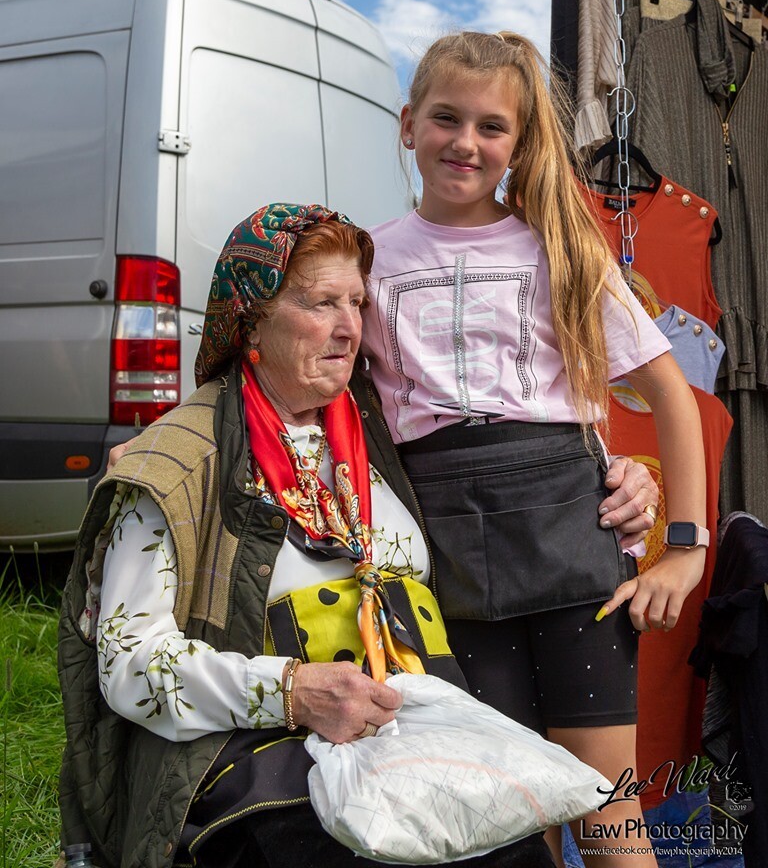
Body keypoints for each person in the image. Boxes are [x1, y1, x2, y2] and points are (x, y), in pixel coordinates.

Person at [58, 204, 558, 868]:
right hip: (260, 761)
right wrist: (294, 692)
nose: (350, 327)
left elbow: (516, 442)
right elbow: (131, 668)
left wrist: (632, 479)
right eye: (322, 303)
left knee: (512, 851)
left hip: (419, 736)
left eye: (357, 302)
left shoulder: (378, 428)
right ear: (251, 321)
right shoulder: (179, 464)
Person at [360, 31, 707, 868]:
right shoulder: (367, 259)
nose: (465, 143)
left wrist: (687, 550)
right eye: (446, 118)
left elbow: (670, 393)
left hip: (571, 551)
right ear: (408, 125)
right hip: (445, 558)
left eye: (491, 127)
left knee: (608, 820)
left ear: (517, 145)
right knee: (508, 823)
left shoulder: (561, 249)